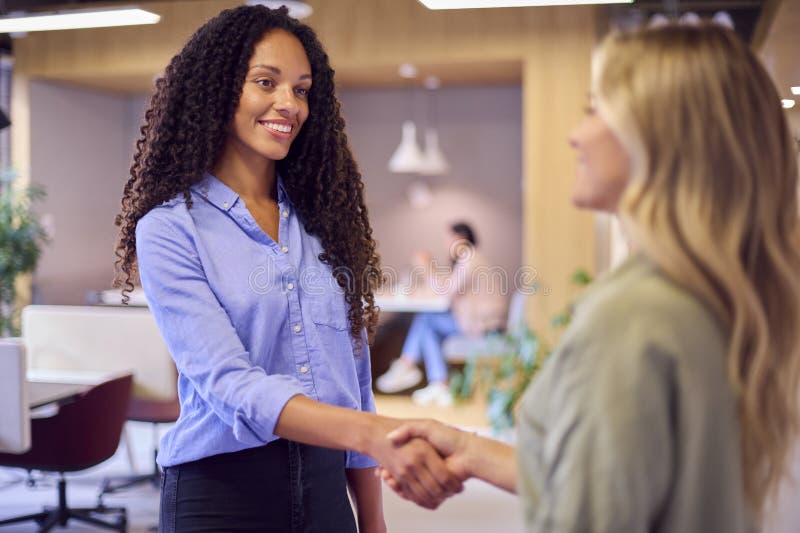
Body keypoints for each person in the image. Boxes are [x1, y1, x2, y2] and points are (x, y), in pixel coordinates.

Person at [382, 23, 800, 533]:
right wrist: (471, 449)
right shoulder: (712, 295)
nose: (575, 133)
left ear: (653, 135)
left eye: (595, 108)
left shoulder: (632, 316)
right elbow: (628, 482)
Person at [113, 6, 461, 531]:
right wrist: (371, 434)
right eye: (265, 82)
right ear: (217, 90)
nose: (289, 104)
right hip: (220, 493)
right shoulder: (170, 229)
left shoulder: (326, 222)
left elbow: (355, 379)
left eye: (301, 90)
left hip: (326, 487)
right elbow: (229, 381)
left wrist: (372, 518)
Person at [376, 222, 506, 406]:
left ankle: (410, 367)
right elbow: (448, 289)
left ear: (460, 239)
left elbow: (445, 293)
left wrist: (426, 266)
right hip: (478, 323)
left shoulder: (470, 259)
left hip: (484, 327)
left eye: (449, 239)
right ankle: (436, 382)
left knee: (426, 321)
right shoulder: (472, 260)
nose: (447, 244)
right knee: (428, 327)